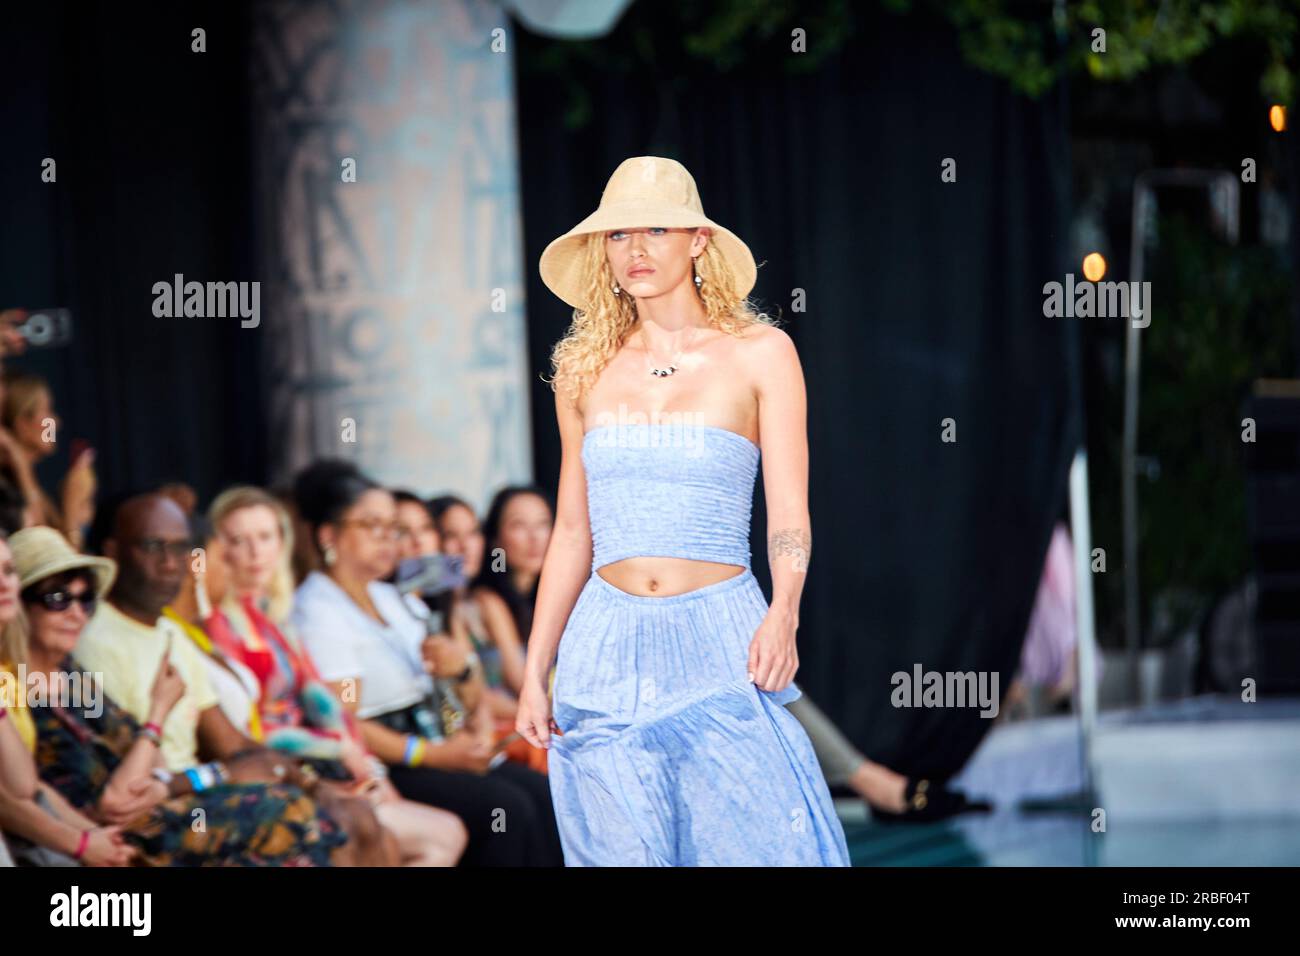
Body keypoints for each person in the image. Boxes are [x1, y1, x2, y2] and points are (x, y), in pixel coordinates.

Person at [521, 155, 851, 865]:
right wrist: (534, 666)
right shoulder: (582, 369)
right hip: (603, 651)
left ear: (697, 240)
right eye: (617, 235)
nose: (634, 250)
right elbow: (573, 530)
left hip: (720, 642)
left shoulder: (762, 354)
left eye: (655, 229)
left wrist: (785, 609)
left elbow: (788, 513)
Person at [4, 526, 359, 865]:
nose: (76, 613)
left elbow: (142, 760)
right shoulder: (12, 684)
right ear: (20, 604)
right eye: (57, 599)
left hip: (154, 813)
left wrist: (158, 778)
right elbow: (113, 800)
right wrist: (159, 711)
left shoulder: (70, 674)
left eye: (85, 600)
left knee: (301, 812)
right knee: (286, 812)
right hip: (116, 835)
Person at [290, 460, 564, 866]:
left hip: (438, 741)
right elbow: (341, 721)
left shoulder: (390, 597)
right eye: (371, 526)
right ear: (329, 535)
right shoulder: (318, 607)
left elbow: (457, 682)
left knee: (543, 793)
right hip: (387, 761)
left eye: (392, 528)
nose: (388, 540)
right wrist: (433, 756)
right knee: (505, 810)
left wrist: (463, 672)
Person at [199, 485, 466, 865]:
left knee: (446, 834)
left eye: (265, 537)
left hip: (324, 765)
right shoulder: (215, 626)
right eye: (238, 540)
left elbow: (322, 699)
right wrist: (338, 750)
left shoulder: (274, 618)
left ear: (282, 544)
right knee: (438, 834)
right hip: (278, 774)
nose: (255, 552)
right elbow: (251, 728)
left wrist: (366, 765)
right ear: (216, 548)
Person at [0, 369, 96, 547]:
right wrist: (72, 511)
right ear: (22, 423)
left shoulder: (34, 489)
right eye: (47, 411)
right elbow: (45, 559)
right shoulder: (7, 493)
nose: (56, 422)